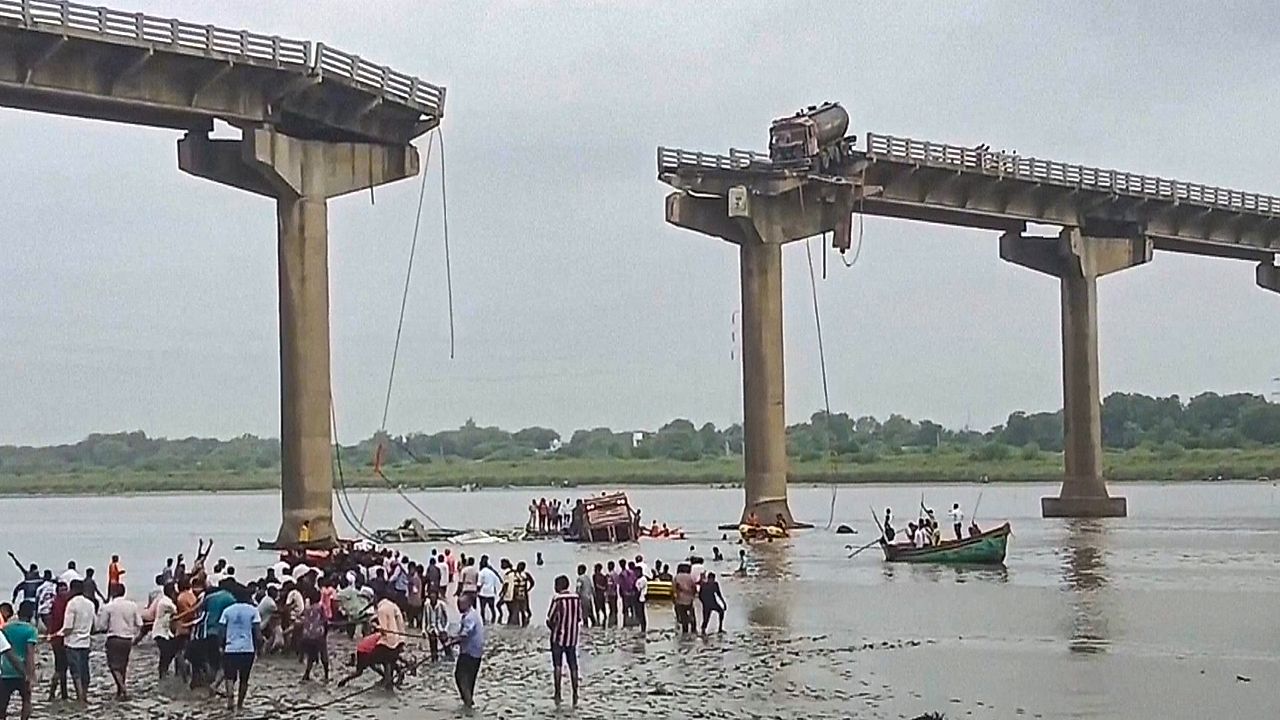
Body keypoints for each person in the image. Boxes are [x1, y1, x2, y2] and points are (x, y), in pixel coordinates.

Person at [220, 587, 262, 711]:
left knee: (229, 677)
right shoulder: (253, 610)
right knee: (244, 679)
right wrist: (259, 649)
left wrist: (221, 646)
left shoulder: (227, 611)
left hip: (231, 648)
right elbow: (258, 633)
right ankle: (240, 704)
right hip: (247, 649)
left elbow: (221, 631)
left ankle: (230, 701)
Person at [96, 583, 142, 699]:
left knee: (113, 666)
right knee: (123, 666)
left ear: (113, 593)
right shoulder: (132, 605)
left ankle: (122, 688)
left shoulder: (109, 607)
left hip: (114, 638)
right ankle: (120, 690)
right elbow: (139, 623)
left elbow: (101, 626)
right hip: (127, 639)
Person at [546, 575, 581, 705]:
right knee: (573, 665)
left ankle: (557, 692)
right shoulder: (576, 598)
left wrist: (553, 628)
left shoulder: (557, 599)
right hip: (572, 638)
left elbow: (550, 618)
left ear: (559, 586)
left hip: (558, 637)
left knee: (557, 665)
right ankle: (575, 692)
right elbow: (579, 618)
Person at [58, 580, 94, 703]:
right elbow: (94, 624)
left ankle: (80, 697)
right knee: (85, 670)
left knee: (76, 672)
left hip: (72, 642)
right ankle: (85, 694)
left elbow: (68, 627)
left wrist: (59, 634)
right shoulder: (90, 604)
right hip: (86, 642)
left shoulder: (71, 604)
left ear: (72, 590)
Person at [0, 601, 37, 720]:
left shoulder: (5, 628)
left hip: (5, 671)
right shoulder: (31, 630)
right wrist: (30, 675)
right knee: (26, 700)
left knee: (3, 703)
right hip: (22, 671)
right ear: (31, 615)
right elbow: (30, 654)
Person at [450, 592, 484, 708]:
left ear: (469, 604)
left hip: (469, 653)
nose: (458, 606)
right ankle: (468, 702)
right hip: (475, 653)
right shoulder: (471, 615)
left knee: (459, 676)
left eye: (461, 604)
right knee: (469, 681)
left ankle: (468, 703)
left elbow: (465, 635)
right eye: (457, 604)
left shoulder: (470, 618)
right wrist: (453, 638)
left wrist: (451, 642)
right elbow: (462, 633)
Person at [371, 591, 405, 690]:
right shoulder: (393, 605)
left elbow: (383, 629)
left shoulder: (381, 610)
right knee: (391, 661)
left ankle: (387, 681)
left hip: (388, 641)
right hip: (399, 638)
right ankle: (391, 679)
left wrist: (375, 626)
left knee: (380, 660)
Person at [44, 582, 69, 702]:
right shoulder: (56, 603)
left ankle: (63, 692)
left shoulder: (68, 603)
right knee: (60, 668)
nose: (64, 592)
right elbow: (49, 618)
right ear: (58, 592)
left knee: (63, 668)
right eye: (62, 590)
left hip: (65, 639)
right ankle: (54, 692)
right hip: (58, 639)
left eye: (65, 590)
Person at [299, 590, 329, 683]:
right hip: (318, 635)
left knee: (311, 656)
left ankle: (306, 674)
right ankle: (326, 675)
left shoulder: (307, 609)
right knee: (324, 655)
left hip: (307, 636)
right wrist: (325, 634)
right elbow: (325, 621)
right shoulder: (320, 607)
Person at [150, 583, 179, 678]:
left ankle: (163, 672)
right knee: (166, 653)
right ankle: (162, 672)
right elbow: (176, 611)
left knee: (168, 652)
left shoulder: (165, 600)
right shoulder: (166, 603)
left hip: (164, 631)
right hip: (160, 632)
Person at [425, 590, 449, 662]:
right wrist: (424, 629)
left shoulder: (442, 605)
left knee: (446, 644)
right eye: (431, 595)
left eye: (434, 595)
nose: (432, 597)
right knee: (433, 645)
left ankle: (449, 657)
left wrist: (445, 629)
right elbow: (425, 618)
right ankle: (434, 658)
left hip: (440, 628)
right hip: (431, 628)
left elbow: (447, 618)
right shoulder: (427, 605)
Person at [673, 563, 697, 634]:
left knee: (683, 617)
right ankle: (693, 630)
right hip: (689, 600)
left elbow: (674, 589)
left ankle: (685, 632)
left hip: (680, 600)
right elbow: (694, 588)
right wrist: (693, 595)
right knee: (692, 615)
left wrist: (674, 598)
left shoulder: (677, 577)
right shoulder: (690, 577)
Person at [476, 557, 501, 623]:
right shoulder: (492, 573)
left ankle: (483, 621)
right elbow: (496, 582)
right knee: (492, 609)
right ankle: (493, 621)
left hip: (483, 593)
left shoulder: (481, 572)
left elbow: (479, 584)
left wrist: (477, 592)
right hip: (491, 593)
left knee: (482, 609)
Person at [632, 563, 648, 633]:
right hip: (638, 598)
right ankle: (642, 628)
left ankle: (643, 629)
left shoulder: (643, 579)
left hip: (640, 599)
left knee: (641, 614)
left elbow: (638, 590)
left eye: (636, 572)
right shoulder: (638, 579)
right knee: (639, 614)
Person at [603, 561, 619, 627]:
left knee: (612, 609)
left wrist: (606, 593)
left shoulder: (610, 575)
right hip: (613, 593)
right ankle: (615, 622)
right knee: (614, 608)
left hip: (611, 593)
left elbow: (610, 584)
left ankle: (612, 623)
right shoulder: (615, 574)